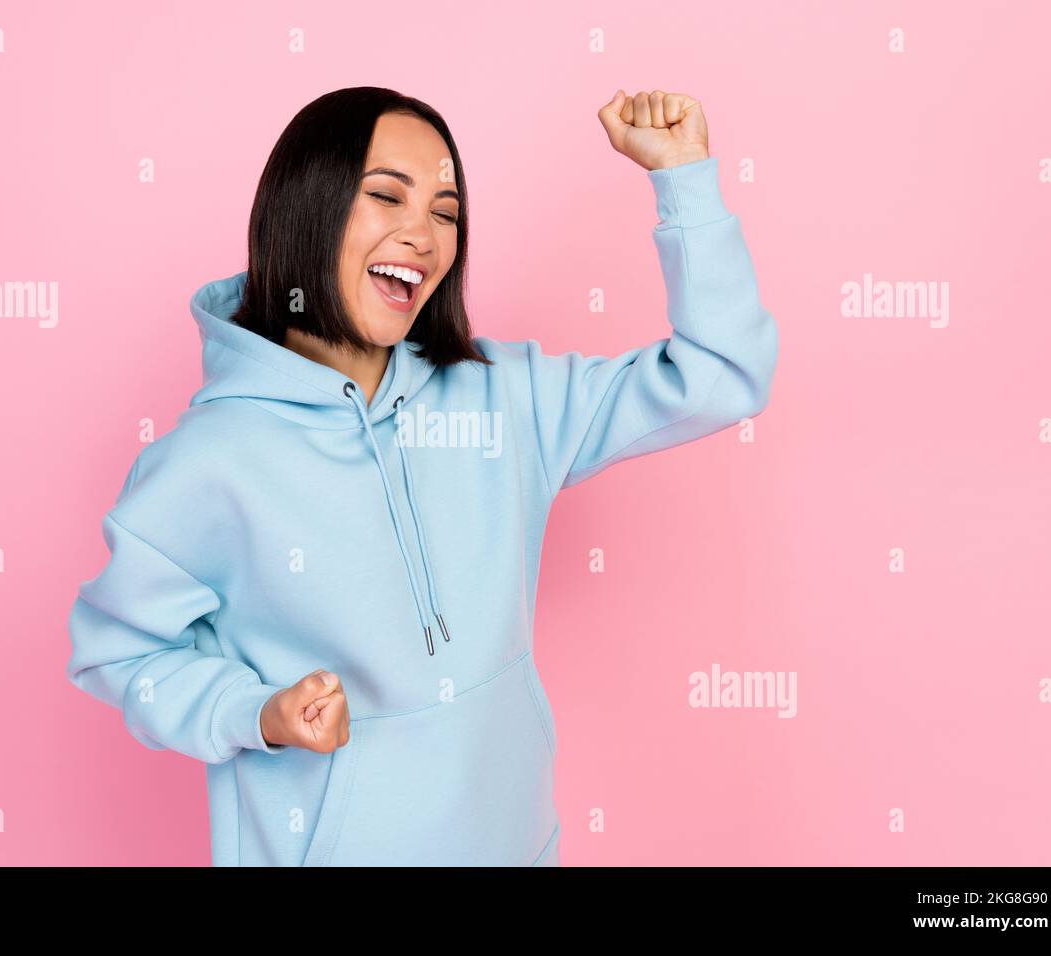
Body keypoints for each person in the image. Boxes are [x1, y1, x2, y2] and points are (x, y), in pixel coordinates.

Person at [66, 86, 778, 866]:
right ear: (307, 205)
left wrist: (684, 181)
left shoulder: (506, 398)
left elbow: (721, 377)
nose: (424, 235)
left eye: (446, 211)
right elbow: (118, 655)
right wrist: (256, 713)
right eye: (386, 197)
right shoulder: (208, 463)